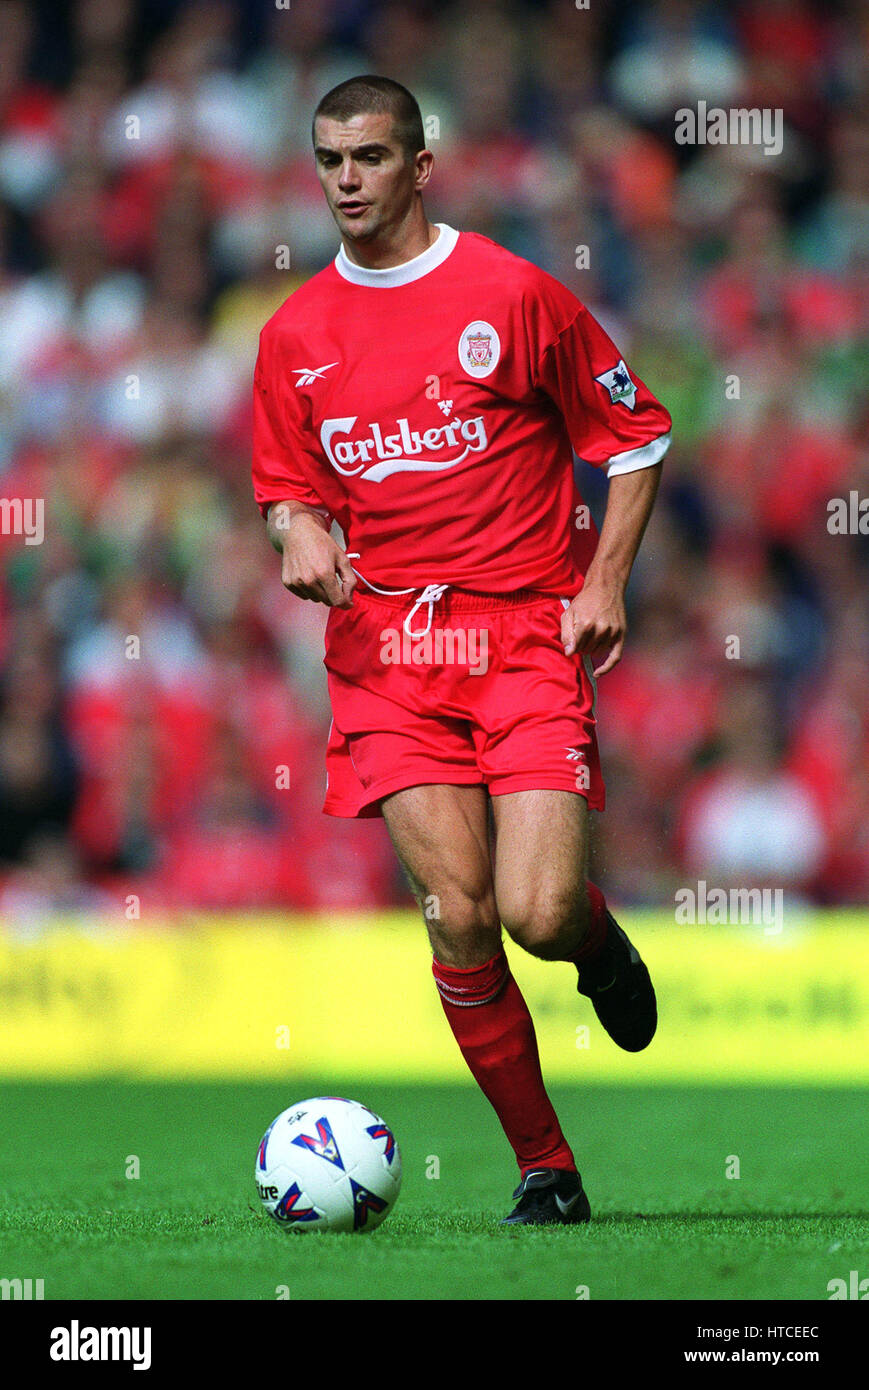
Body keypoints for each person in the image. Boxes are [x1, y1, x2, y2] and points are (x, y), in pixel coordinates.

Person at [252, 76, 672, 1225]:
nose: (346, 179)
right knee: (459, 913)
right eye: (330, 159)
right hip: (386, 653)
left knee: (536, 914)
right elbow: (289, 492)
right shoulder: (293, 338)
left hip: (522, 635)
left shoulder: (511, 293)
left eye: (370, 157)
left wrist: (604, 579)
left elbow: (635, 436)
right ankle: (546, 1165)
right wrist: (297, 534)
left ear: (420, 166)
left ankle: (593, 941)